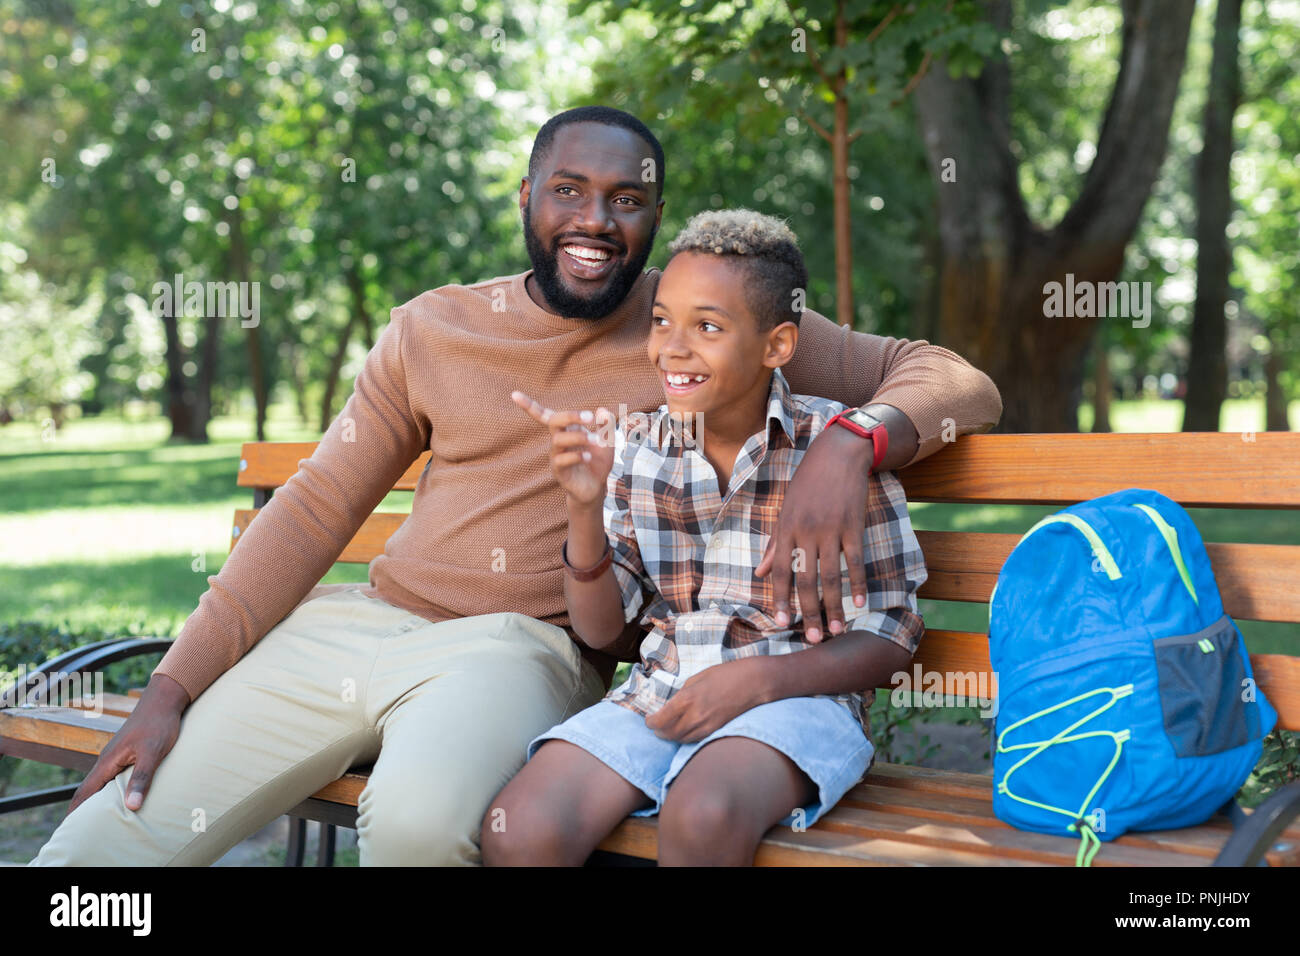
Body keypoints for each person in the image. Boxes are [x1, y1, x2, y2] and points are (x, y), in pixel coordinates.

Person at [31, 106, 1000, 866]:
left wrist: (855, 442)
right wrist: (170, 686)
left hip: (518, 647)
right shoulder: (435, 329)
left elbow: (959, 380)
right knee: (110, 837)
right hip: (359, 622)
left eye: (626, 198)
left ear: (655, 213)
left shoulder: (704, 316)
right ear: (526, 196)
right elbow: (317, 506)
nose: (595, 219)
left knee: (418, 829)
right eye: (569, 190)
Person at [483, 210, 926, 866]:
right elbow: (604, 630)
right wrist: (582, 509)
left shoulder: (833, 451)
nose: (673, 348)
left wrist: (755, 684)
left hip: (797, 702)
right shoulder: (640, 448)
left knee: (703, 811)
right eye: (661, 321)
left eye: (708, 327)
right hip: (663, 692)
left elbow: (891, 635)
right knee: (519, 827)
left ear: (776, 345)